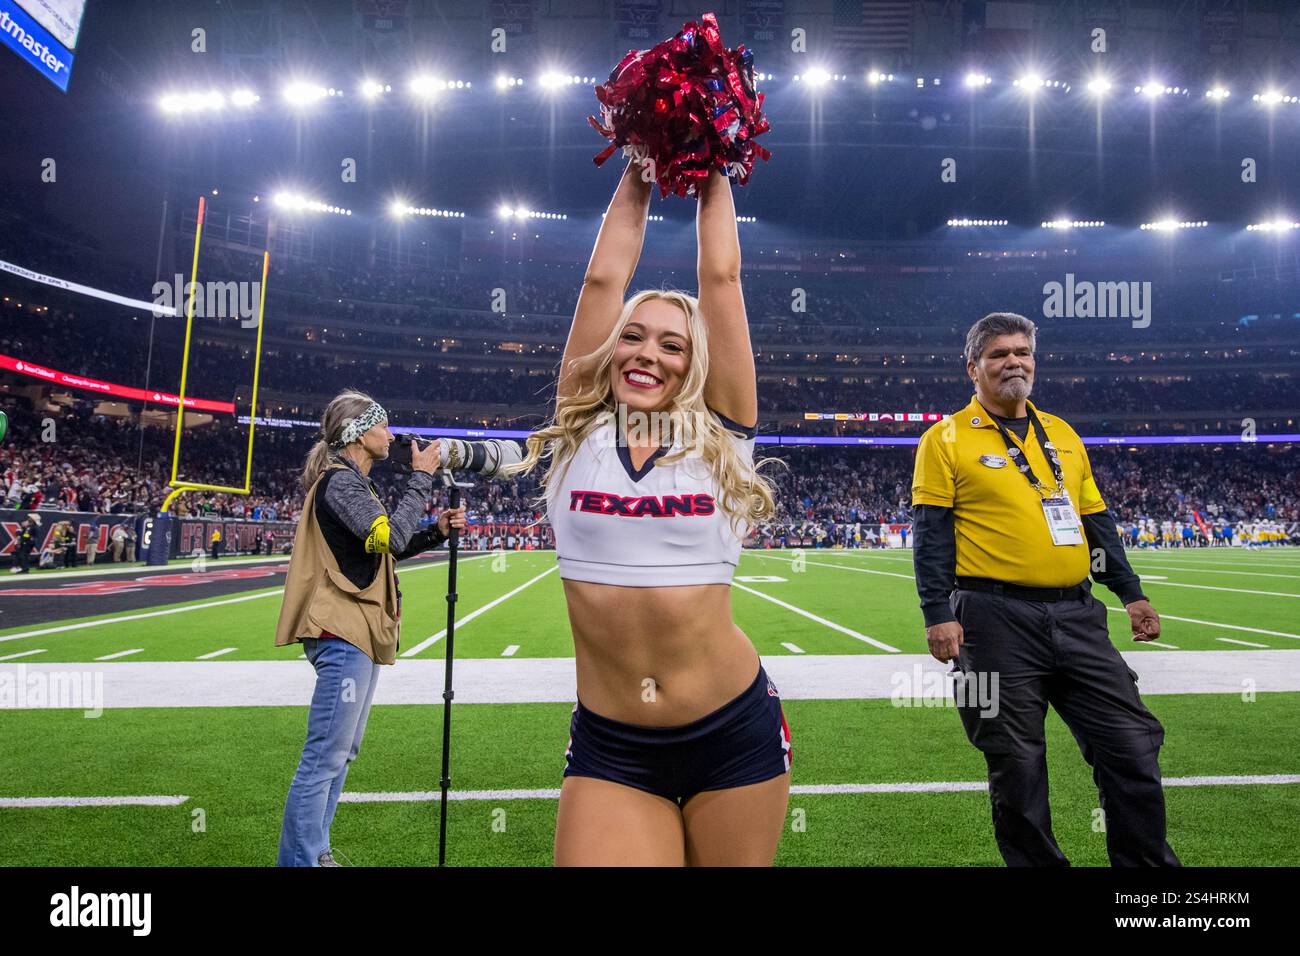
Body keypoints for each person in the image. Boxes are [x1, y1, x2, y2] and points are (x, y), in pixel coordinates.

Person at [503, 161, 790, 866]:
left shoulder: (723, 435)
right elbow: (601, 282)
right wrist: (638, 164)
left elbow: (721, 280)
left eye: (672, 343)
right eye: (633, 336)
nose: (647, 353)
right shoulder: (577, 431)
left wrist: (714, 163)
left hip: (733, 733)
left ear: (695, 363)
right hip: (614, 743)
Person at [911, 312, 1179, 867]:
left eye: (1022, 352)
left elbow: (1095, 520)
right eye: (999, 354)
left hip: (1079, 615)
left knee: (1130, 745)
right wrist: (937, 610)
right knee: (1017, 763)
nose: (1014, 362)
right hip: (991, 619)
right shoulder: (945, 438)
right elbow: (931, 532)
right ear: (973, 367)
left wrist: (1130, 592)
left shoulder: (1062, 432)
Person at [274, 390, 466, 867]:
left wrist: (435, 531)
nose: (393, 435)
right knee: (324, 757)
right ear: (359, 434)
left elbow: (387, 547)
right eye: (384, 426)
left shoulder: (351, 483)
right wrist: (422, 479)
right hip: (342, 632)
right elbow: (389, 535)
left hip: (354, 630)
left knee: (339, 754)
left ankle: (316, 853)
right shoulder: (340, 483)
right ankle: (299, 862)